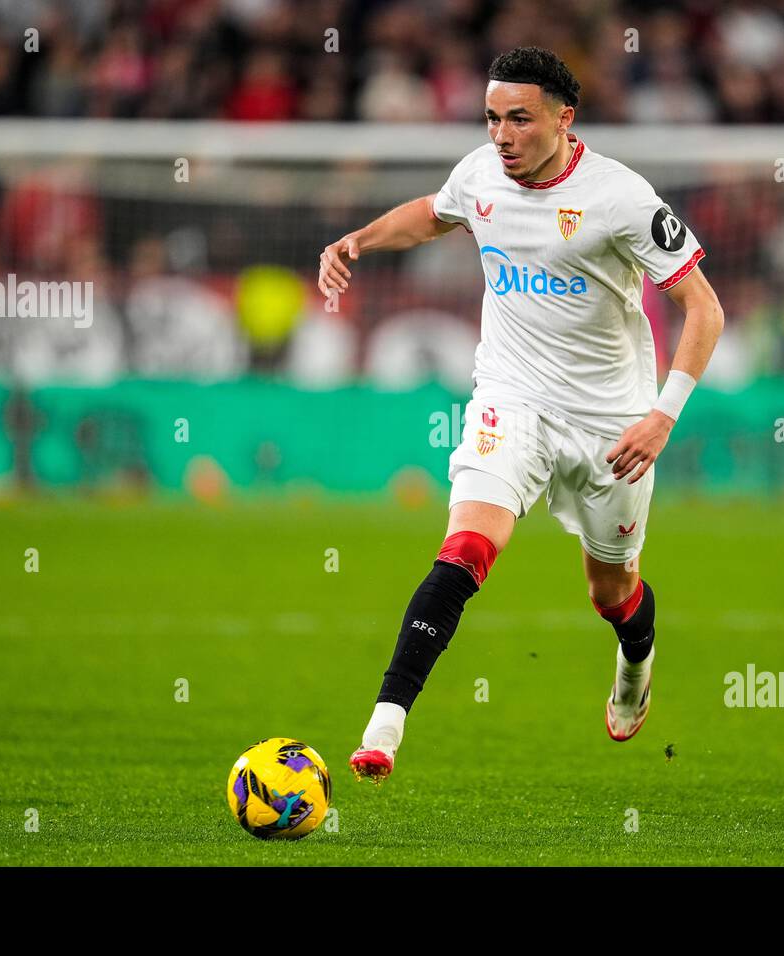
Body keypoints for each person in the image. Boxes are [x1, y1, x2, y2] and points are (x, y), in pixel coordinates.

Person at [317, 47, 724, 783]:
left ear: (564, 119)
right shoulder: (479, 174)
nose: (501, 135)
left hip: (613, 427)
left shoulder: (621, 198)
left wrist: (663, 417)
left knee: (612, 592)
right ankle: (385, 724)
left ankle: (637, 655)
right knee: (466, 547)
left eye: (519, 119)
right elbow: (433, 214)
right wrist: (359, 240)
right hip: (511, 400)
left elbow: (705, 308)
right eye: (492, 118)